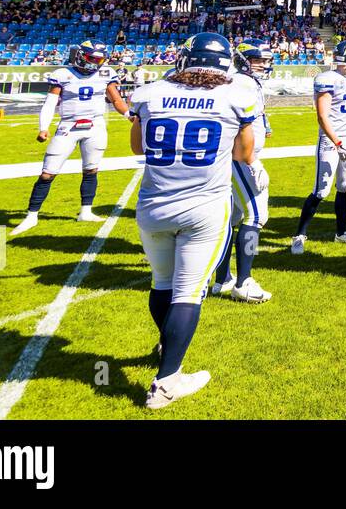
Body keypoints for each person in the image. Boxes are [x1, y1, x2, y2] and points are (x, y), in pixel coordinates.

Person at [129, 32, 260, 409]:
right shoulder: (236, 95)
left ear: (185, 58)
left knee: (162, 283)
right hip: (204, 206)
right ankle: (167, 381)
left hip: (153, 204)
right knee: (188, 293)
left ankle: (167, 348)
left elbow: (138, 146)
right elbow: (244, 153)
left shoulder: (150, 93)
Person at [11, 41, 129, 236]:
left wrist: (129, 116)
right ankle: (31, 216)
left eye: (99, 59)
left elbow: (116, 99)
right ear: (81, 56)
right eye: (92, 58)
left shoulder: (106, 73)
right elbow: (50, 103)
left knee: (91, 170)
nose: (96, 62)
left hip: (95, 125)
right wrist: (43, 127)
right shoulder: (63, 74)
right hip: (68, 126)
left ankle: (86, 211)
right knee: (48, 172)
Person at [210, 40, 274, 303]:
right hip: (241, 157)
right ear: (243, 60)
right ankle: (243, 282)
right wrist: (251, 161)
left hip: (239, 155)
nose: (265, 64)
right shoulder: (241, 83)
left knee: (232, 218)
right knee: (256, 216)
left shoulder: (247, 83)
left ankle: (221, 280)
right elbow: (238, 124)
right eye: (259, 60)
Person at [292, 41, 346, 252]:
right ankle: (299, 235)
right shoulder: (327, 79)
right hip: (331, 139)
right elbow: (322, 116)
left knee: (344, 187)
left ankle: (341, 233)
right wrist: (338, 142)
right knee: (321, 189)